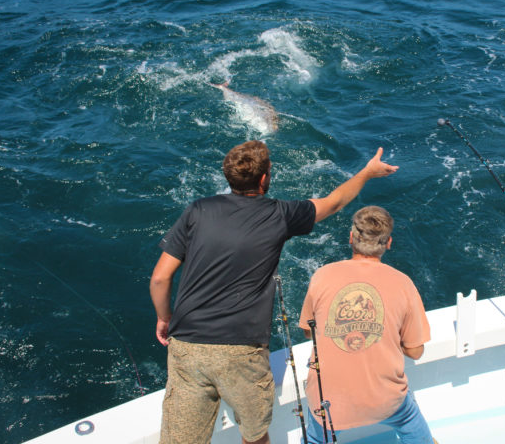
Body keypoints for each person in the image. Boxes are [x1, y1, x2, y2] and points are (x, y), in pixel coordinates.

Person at [149, 140, 398, 444]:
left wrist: (165, 318)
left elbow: (160, 278)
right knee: (255, 436)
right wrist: (368, 173)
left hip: (186, 345)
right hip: (240, 350)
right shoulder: (280, 214)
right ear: (265, 178)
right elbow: (333, 203)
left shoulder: (198, 210)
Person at [298, 206, 435, 444]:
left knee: (316, 437)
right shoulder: (403, 283)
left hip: (328, 402)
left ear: (351, 237)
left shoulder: (321, 275)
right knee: (411, 421)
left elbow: (308, 330)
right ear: (388, 242)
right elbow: (415, 351)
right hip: (386, 401)